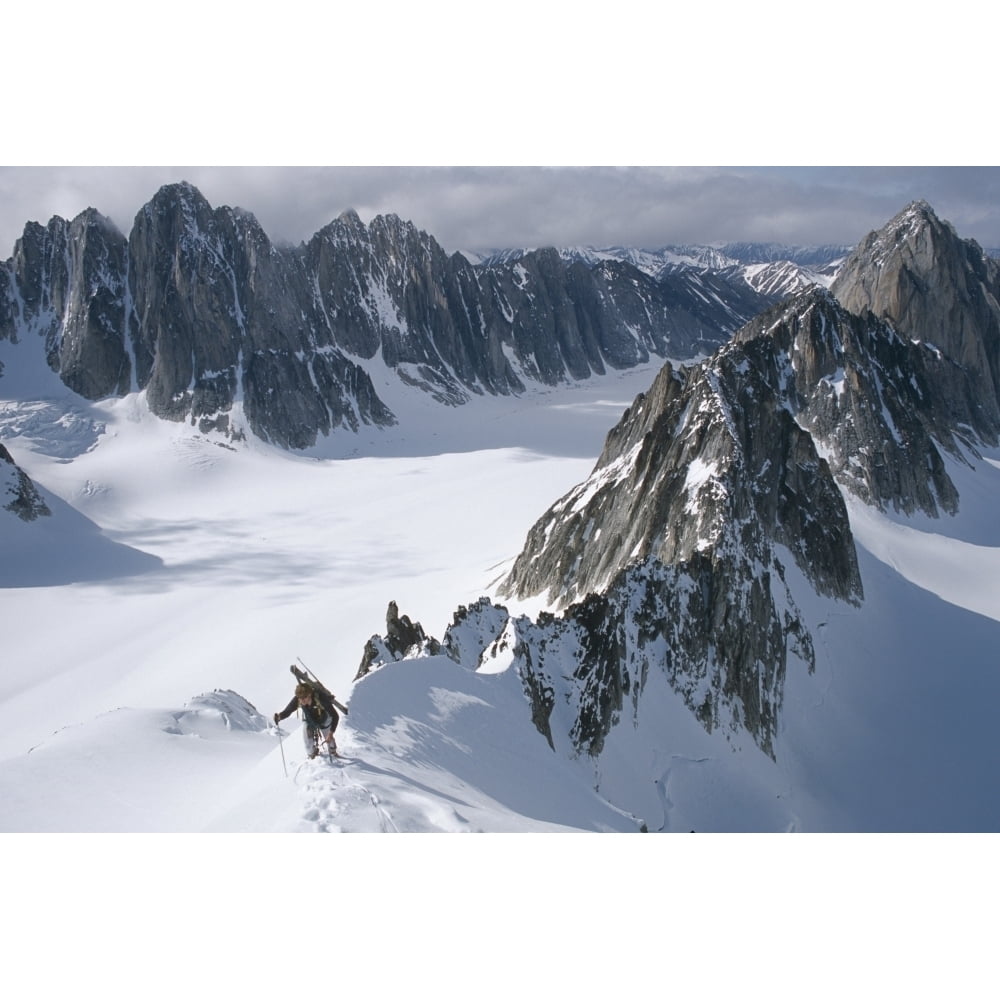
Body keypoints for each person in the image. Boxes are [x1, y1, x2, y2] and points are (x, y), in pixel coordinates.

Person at [274, 681, 340, 759]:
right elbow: (289, 710)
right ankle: (312, 754)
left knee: (328, 738)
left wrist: (331, 733)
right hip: (310, 719)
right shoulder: (298, 699)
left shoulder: (321, 699)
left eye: (304, 697)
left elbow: (335, 716)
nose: (302, 700)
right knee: (306, 737)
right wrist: (279, 717)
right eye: (300, 698)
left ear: (309, 694)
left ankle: (333, 751)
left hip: (325, 717)